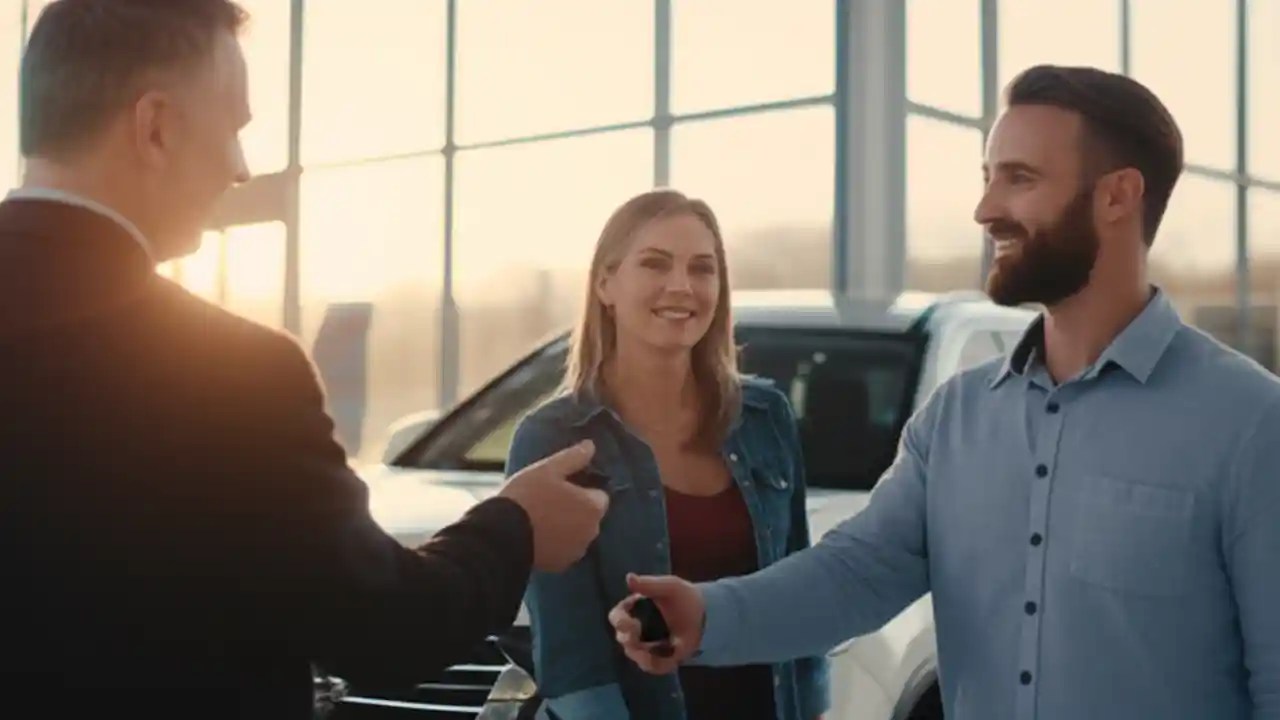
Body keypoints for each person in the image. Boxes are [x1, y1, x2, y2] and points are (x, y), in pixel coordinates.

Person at [609, 65, 1280, 720]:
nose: (986, 210)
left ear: (1117, 196)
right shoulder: (956, 417)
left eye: (1020, 179)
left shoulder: (1250, 424)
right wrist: (707, 615)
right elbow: (857, 573)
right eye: (988, 179)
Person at [0, 2, 607, 718]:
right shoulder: (231, 375)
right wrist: (517, 525)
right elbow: (380, 629)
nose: (240, 167)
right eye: (232, 128)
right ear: (155, 127)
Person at [506, 189, 829, 720]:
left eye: (702, 269)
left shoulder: (765, 416)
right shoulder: (553, 439)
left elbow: (799, 601)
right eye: (655, 263)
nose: (681, 286)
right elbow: (571, 659)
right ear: (606, 283)